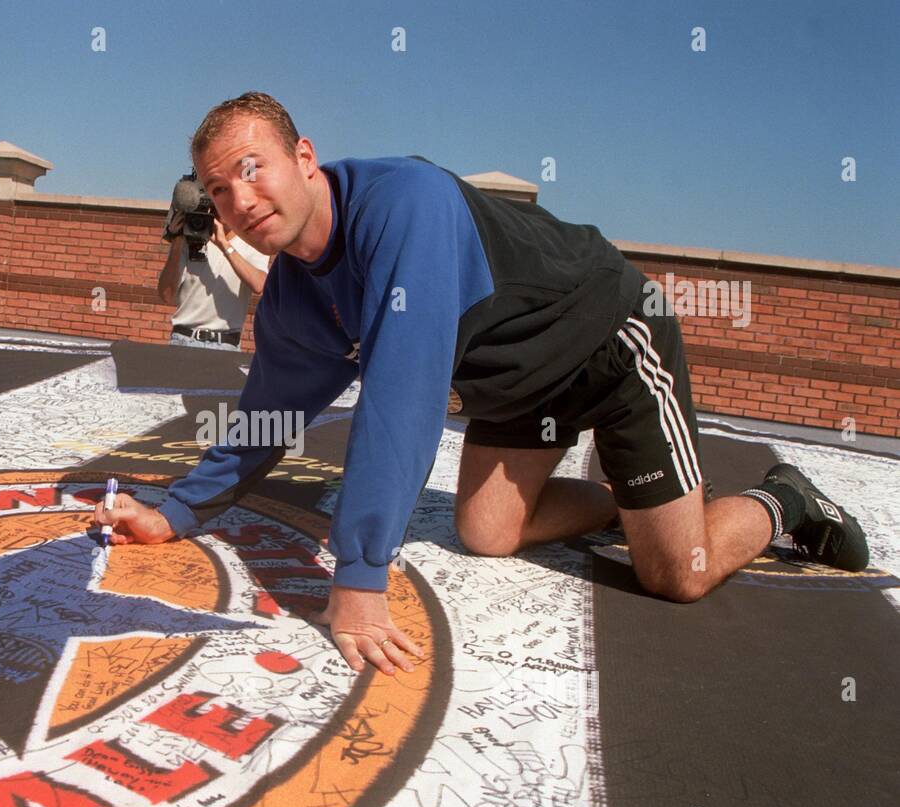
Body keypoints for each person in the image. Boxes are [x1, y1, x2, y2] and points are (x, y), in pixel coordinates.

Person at [93, 92, 870, 676]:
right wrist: (178, 509)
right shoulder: (297, 290)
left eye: (251, 169)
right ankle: (634, 508)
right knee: (487, 532)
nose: (239, 198)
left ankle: (784, 499)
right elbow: (268, 414)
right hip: (520, 390)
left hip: (609, 341)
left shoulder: (407, 206)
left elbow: (403, 398)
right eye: (218, 189)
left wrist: (361, 575)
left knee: (676, 573)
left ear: (304, 157)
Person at [158, 210, 269, 350]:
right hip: (184, 340)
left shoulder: (253, 242)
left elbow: (259, 285)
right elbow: (166, 295)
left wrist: (224, 245)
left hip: (227, 343)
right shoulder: (191, 238)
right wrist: (177, 241)